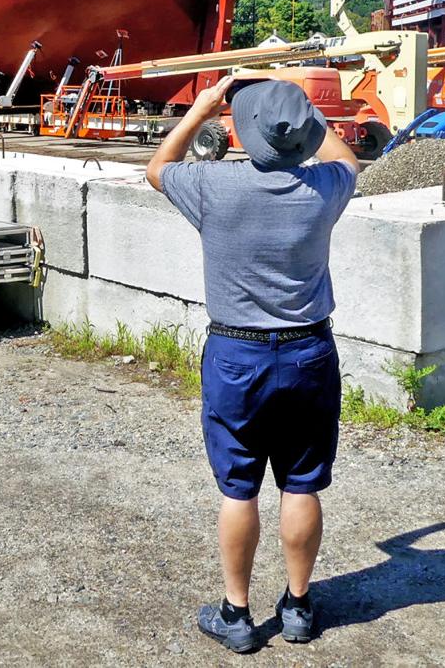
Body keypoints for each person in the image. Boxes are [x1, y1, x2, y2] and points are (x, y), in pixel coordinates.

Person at [146, 75, 358, 653]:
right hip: (309, 351)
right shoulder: (325, 186)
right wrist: (305, 116)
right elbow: (346, 158)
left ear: (245, 131)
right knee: (302, 482)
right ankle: (298, 607)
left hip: (237, 354)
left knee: (240, 488)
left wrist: (201, 109)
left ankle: (237, 615)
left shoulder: (213, 185)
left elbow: (157, 168)